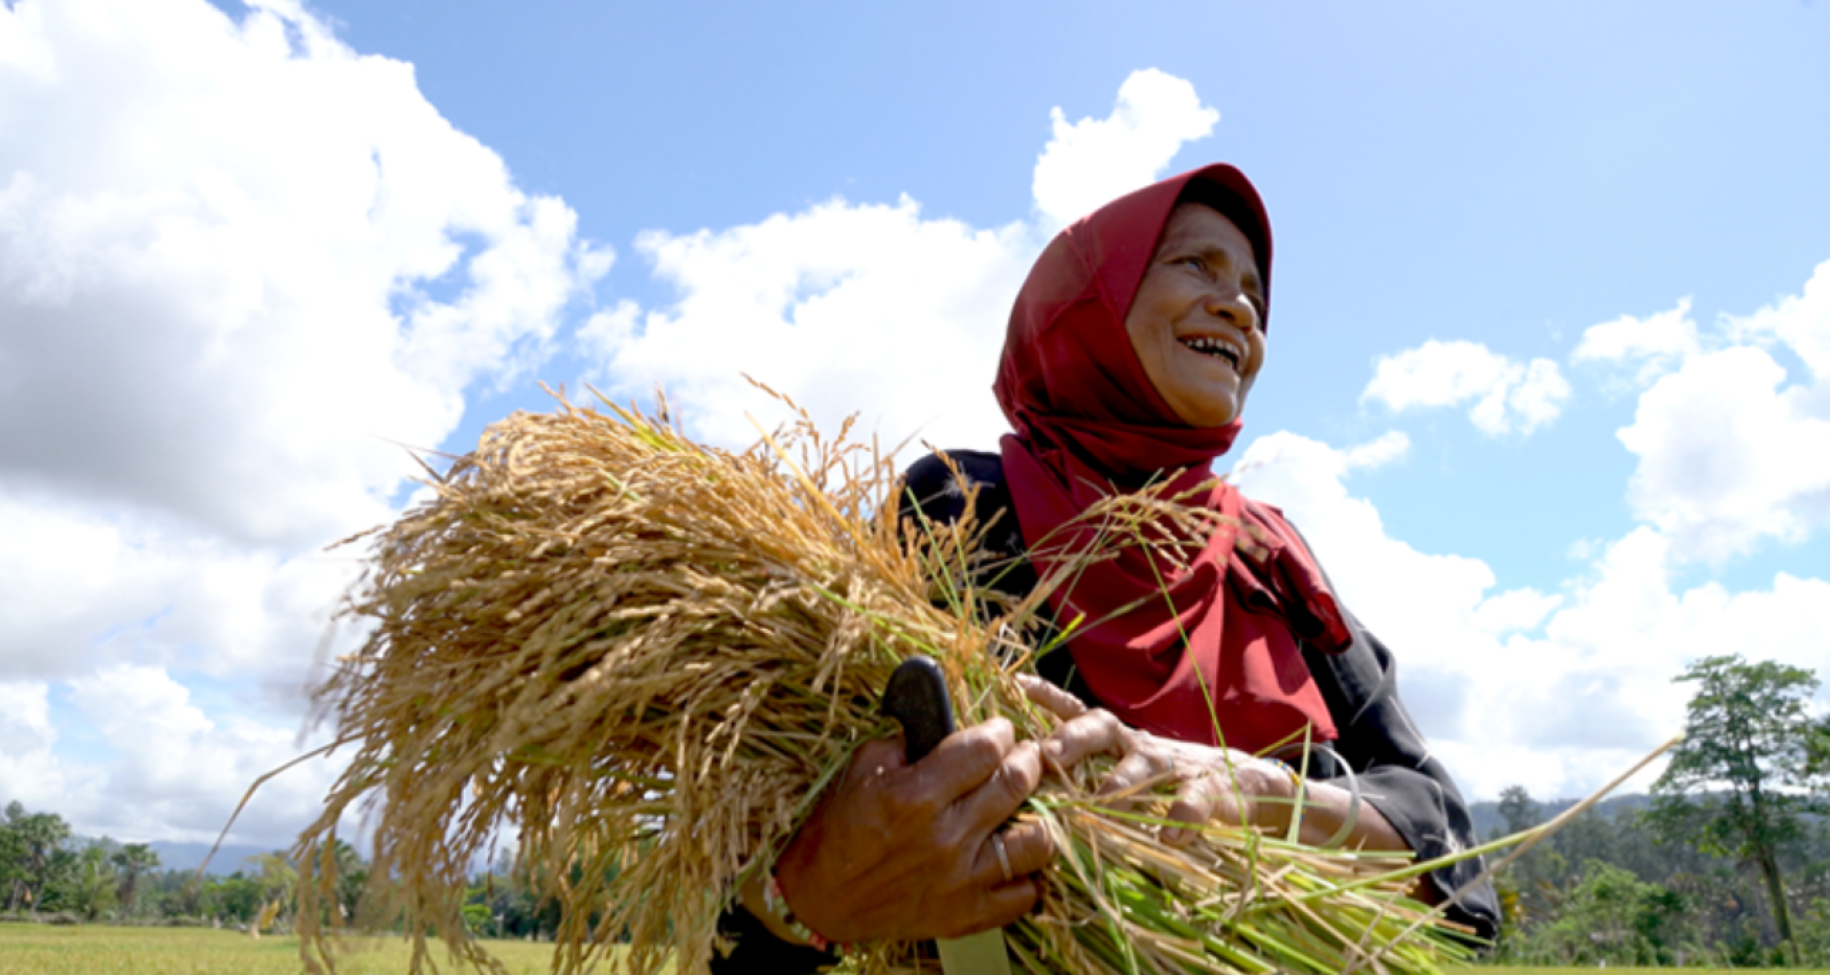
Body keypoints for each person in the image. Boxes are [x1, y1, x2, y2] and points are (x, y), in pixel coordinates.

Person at [711, 164, 1499, 971]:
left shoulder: (1270, 555)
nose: (1240, 308)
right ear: (1094, 296)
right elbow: (799, 844)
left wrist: (1259, 791)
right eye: (1196, 264)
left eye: (1256, 296)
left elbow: (1448, 849)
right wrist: (810, 897)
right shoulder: (962, 505)